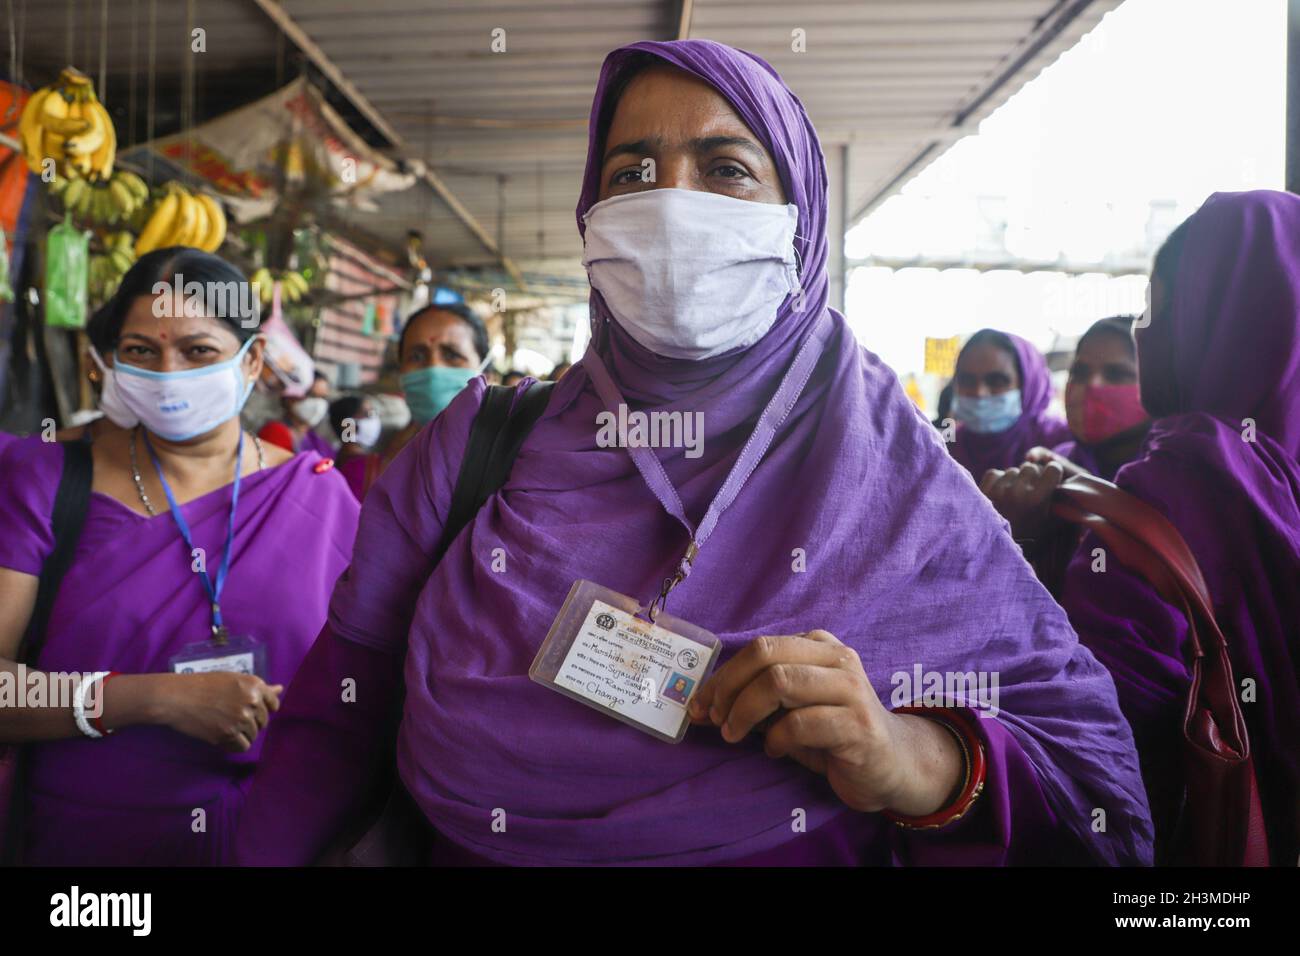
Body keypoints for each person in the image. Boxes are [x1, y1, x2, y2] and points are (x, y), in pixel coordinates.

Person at [235, 39, 1151, 867]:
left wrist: (915, 759)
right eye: (634, 171)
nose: (673, 204)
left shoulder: (901, 483)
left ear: (799, 219)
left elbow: (1094, 791)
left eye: (725, 169)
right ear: (592, 214)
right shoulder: (473, 449)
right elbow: (334, 720)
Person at [0, 247, 360, 865]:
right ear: (112, 362)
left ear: (251, 362)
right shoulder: (44, 479)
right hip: (87, 852)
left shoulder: (318, 494)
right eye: (141, 350)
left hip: (278, 838)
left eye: (198, 351)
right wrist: (154, 698)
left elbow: (361, 693)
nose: (168, 371)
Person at [982, 191, 1300, 864]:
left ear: (1211, 322)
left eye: (1156, 307)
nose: (1143, 330)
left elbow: (1101, 727)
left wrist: (1023, 551)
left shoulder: (1176, 486)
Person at [334, 302, 489, 501]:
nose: (433, 369)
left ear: (487, 374)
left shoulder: (515, 467)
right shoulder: (371, 471)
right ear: (402, 373)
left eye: (451, 355)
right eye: (416, 356)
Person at [947, 329, 1070, 479]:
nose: (979, 392)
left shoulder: (1061, 443)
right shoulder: (949, 448)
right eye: (967, 380)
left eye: (997, 381)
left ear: (1028, 386)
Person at [1052, 316, 1150, 480]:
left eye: (1117, 374)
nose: (1092, 385)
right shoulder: (1055, 463)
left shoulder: (1174, 477)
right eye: (1080, 372)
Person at [258, 370, 334, 458]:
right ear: (290, 397)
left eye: (323, 397)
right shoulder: (274, 432)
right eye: (311, 395)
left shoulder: (320, 444)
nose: (318, 403)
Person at [329, 394, 382, 502]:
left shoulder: (332, 459)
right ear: (348, 425)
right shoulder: (372, 466)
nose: (375, 419)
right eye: (368, 414)